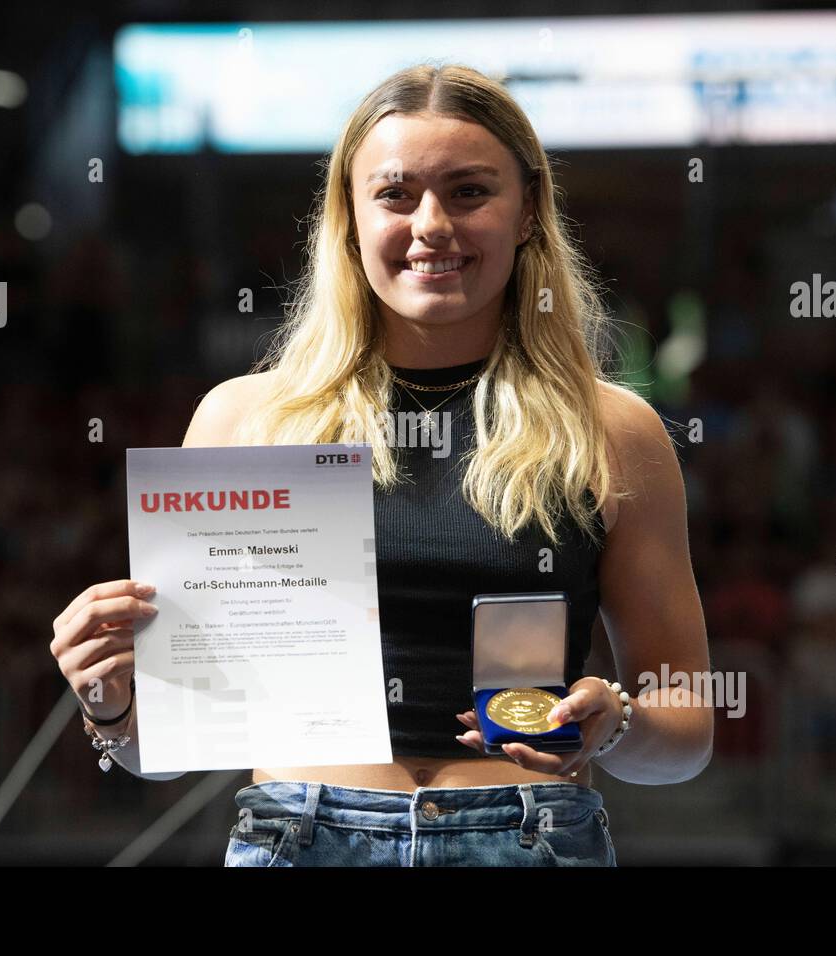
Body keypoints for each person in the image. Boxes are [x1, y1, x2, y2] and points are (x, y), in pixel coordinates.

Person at [50, 63, 712, 866]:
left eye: (469, 191)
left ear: (530, 210)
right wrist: (111, 702)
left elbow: (688, 729)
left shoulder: (609, 428)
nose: (432, 224)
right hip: (299, 835)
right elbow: (165, 747)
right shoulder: (246, 418)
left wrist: (616, 725)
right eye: (396, 195)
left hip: (531, 836)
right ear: (349, 217)